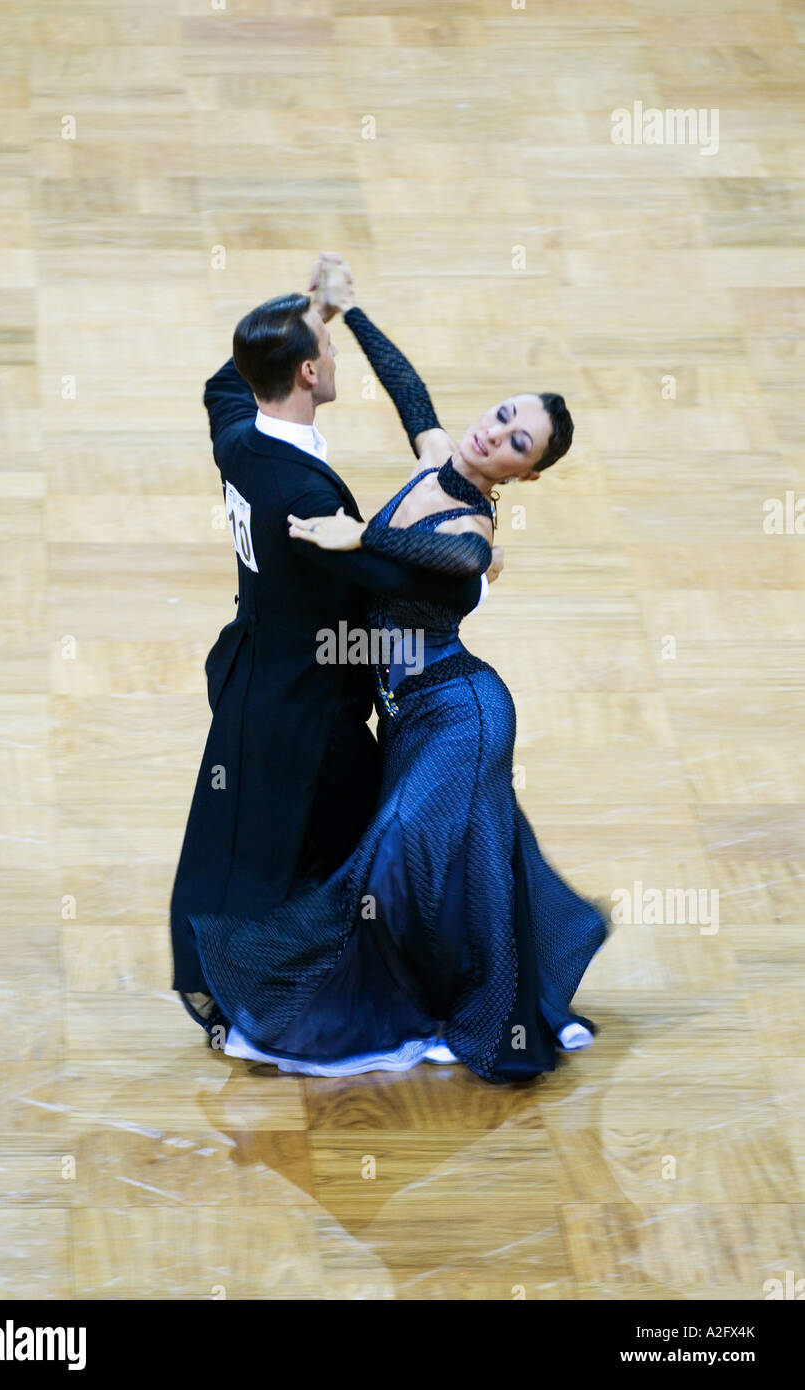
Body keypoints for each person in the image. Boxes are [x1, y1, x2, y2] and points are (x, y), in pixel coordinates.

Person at [187, 259, 608, 1083]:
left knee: (393, 866)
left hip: (461, 715)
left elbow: (448, 563)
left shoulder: (477, 533)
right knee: (467, 865)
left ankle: (411, 1020)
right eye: (502, 415)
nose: (496, 434)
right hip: (410, 715)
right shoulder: (439, 455)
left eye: (518, 442)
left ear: (524, 474)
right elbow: (407, 389)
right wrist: (350, 313)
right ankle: (486, 999)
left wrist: (362, 539)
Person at [170, 258, 487, 1035]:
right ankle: (305, 989)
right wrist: (469, 572)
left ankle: (227, 980)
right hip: (310, 699)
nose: (337, 355)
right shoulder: (305, 495)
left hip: (252, 669)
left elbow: (224, 383)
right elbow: (389, 576)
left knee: (245, 834)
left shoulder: (240, 436)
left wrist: (312, 307)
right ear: (310, 372)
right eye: (328, 345)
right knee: (349, 839)